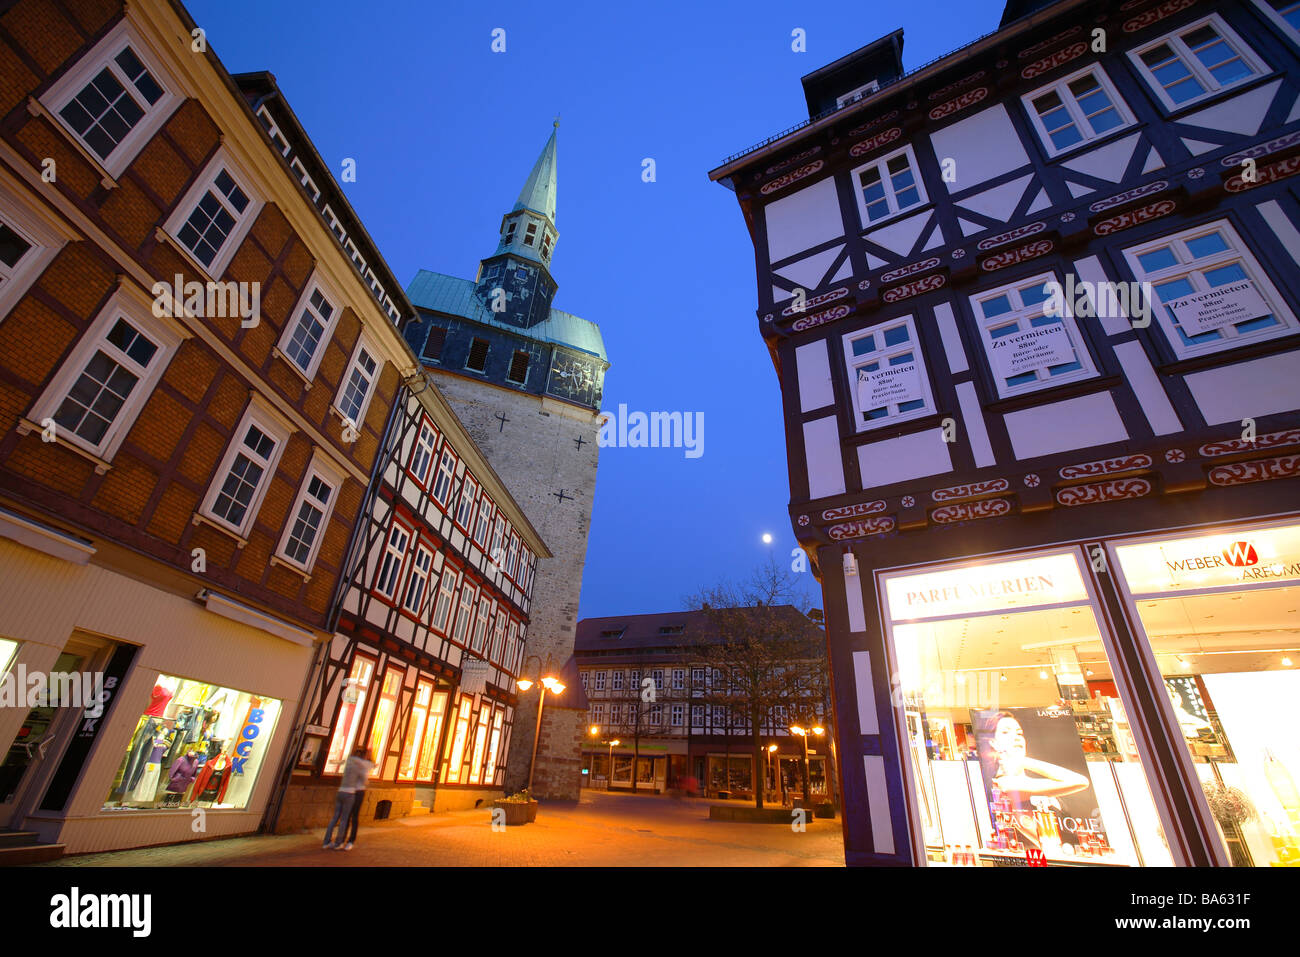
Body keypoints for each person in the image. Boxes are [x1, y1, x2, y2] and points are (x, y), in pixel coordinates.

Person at [324, 745, 373, 850]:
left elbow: (338, 763)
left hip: (356, 791)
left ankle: (348, 841)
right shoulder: (359, 764)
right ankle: (340, 840)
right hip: (351, 791)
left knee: (351, 817)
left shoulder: (360, 763)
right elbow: (365, 779)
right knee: (346, 818)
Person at [342, 745, 374, 849]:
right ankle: (342, 839)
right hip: (351, 790)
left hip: (358, 791)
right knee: (347, 815)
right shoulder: (356, 763)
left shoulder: (364, 765)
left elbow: (365, 779)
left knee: (353, 816)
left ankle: (350, 840)